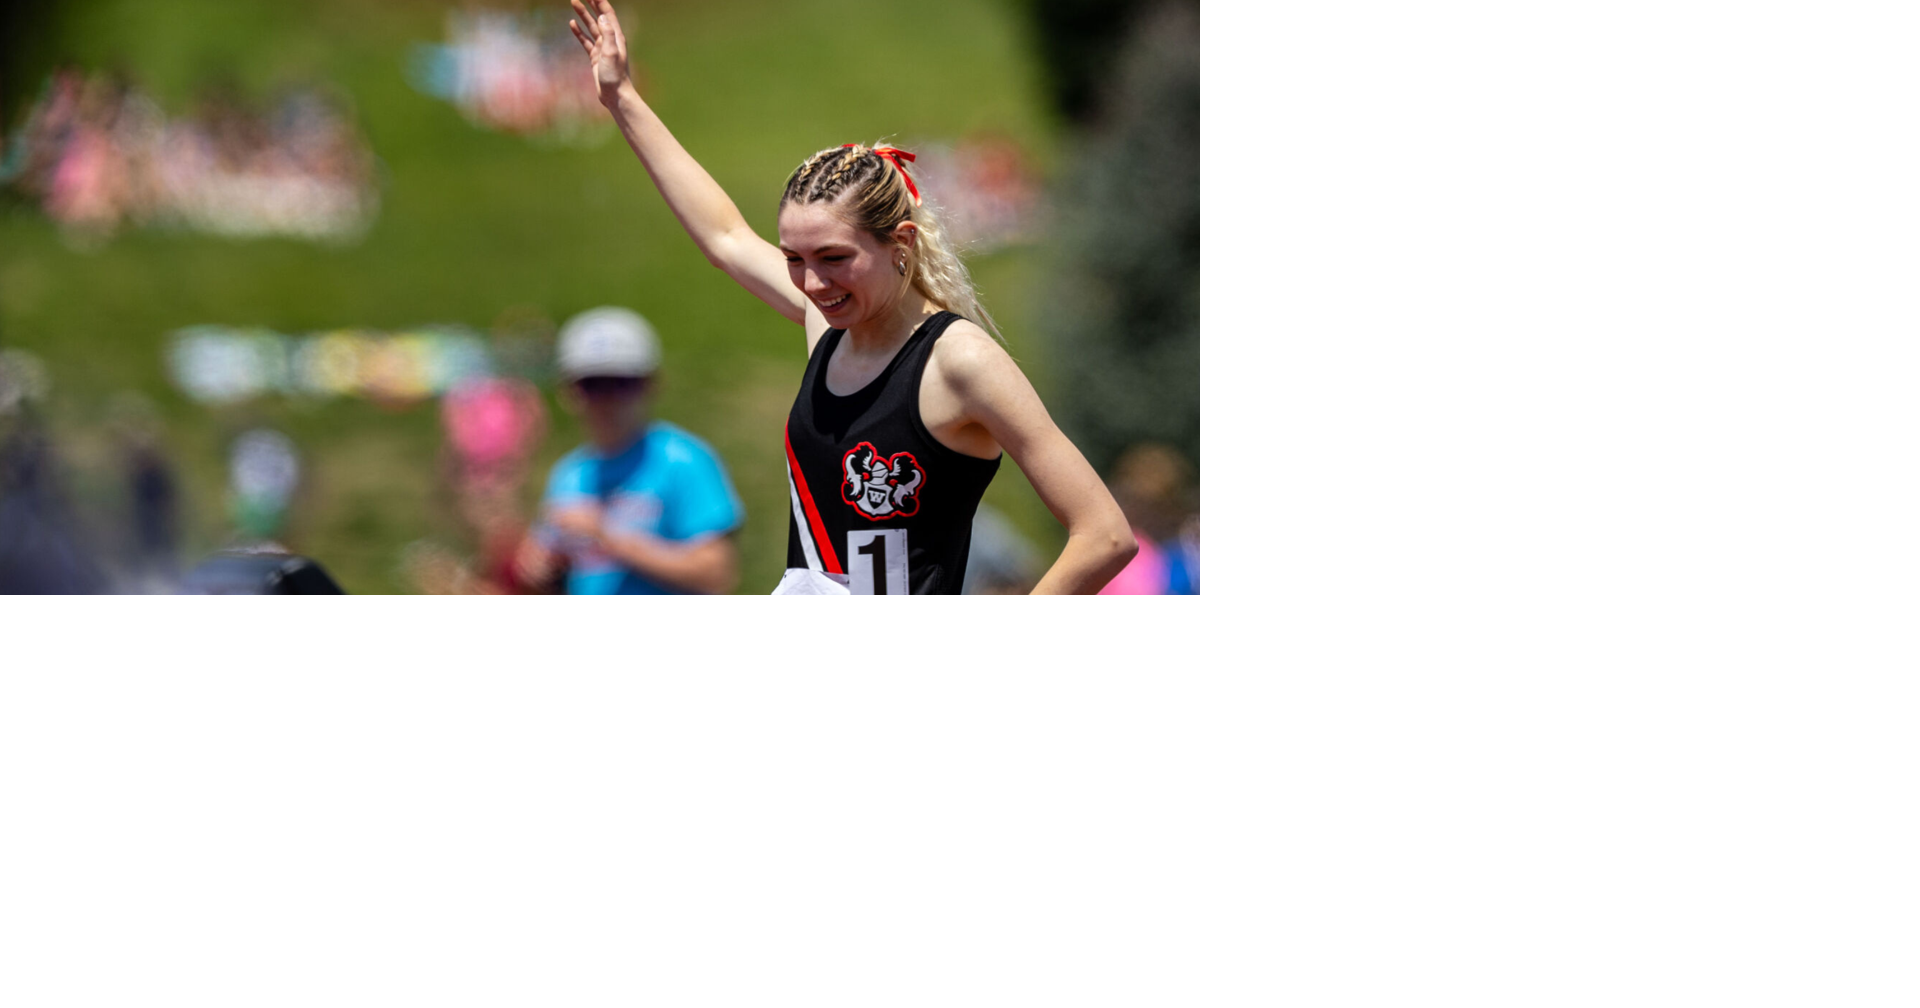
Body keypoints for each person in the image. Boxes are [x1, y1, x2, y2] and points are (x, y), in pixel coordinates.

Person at [565, 0, 1135, 595]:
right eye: (794, 260)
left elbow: (1103, 534)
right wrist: (621, 98)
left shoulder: (958, 361)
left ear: (900, 244)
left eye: (835, 259)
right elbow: (725, 236)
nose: (813, 285)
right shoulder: (830, 333)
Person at [515, 305, 744, 594]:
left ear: (651, 384)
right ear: (569, 392)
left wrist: (609, 537)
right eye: (592, 385)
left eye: (622, 383)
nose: (607, 399)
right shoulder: (569, 474)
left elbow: (717, 575)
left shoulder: (684, 460)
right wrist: (542, 569)